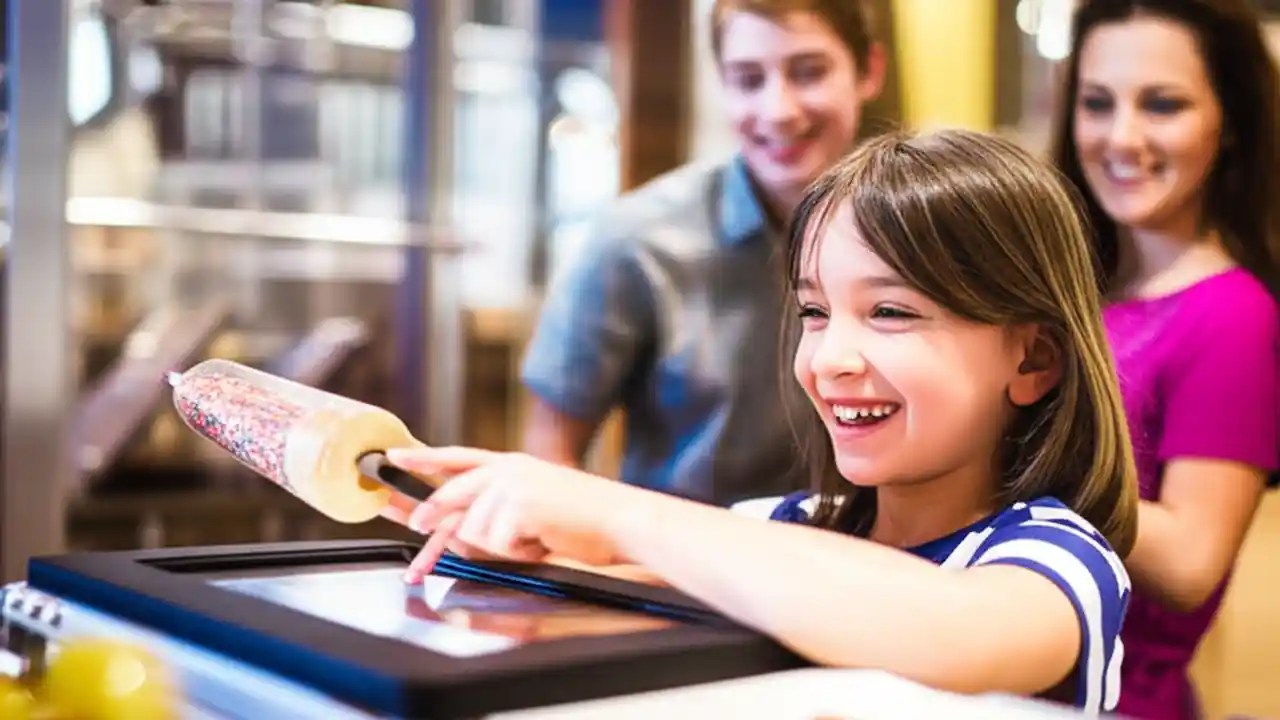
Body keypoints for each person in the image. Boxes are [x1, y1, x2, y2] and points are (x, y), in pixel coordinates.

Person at [382, 129, 1139, 714]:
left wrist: (611, 511)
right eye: (815, 311)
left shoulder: (1060, 557)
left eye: (890, 312)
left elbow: (952, 632)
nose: (830, 358)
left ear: (1033, 360)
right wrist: (506, 538)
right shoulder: (789, 525)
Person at [518, 0, 887, 505]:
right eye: (748, 80)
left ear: (869, 71)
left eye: (809, 72)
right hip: (676, 552)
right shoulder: (636, 239)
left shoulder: (920, 233)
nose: (778, 110)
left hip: (880, 550)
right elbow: (548, 455)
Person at [1049, 1, 1280, 718]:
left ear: (1229, 121)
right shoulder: (1079, 282)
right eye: (1097, 103)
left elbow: (1188, 565)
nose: (1122, 137)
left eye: (1163, 105)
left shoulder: (1234, 315)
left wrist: (1021, 459)